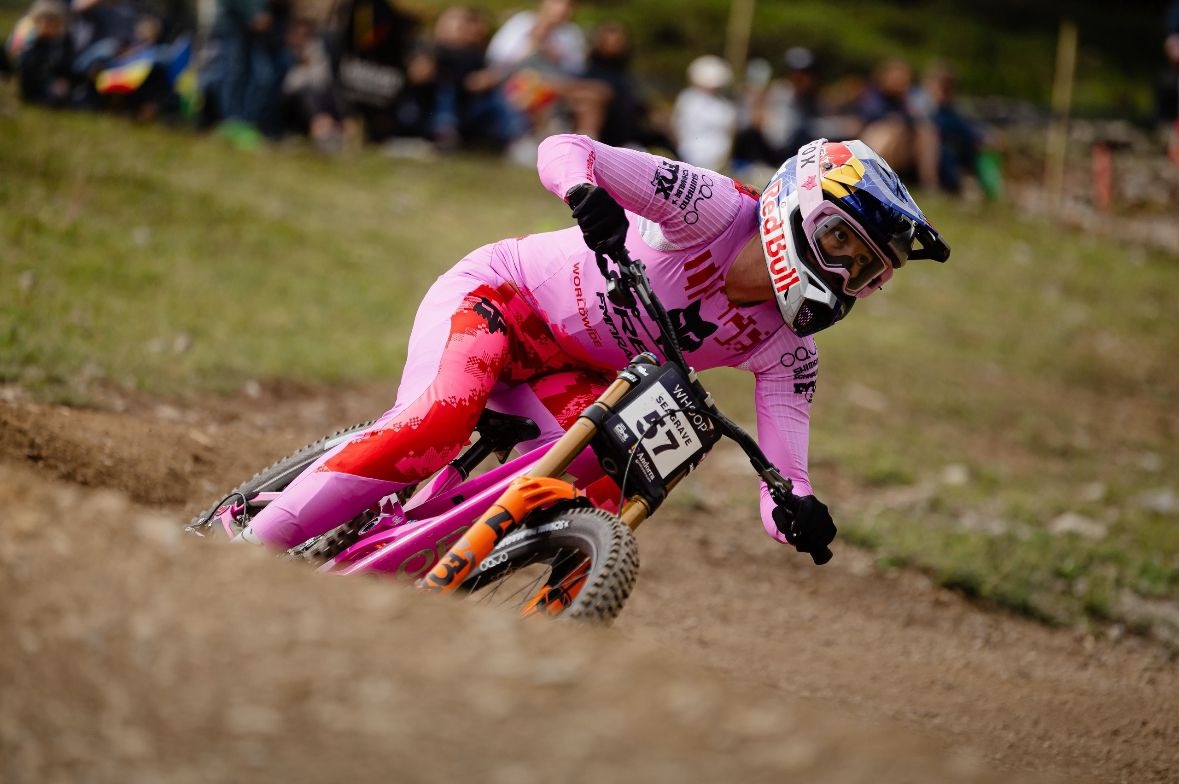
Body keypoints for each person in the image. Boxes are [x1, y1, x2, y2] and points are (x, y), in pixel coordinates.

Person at [238, 134, 950, 563]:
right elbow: (564, 148)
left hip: (574, 371)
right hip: (498, 298)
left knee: (608, 483)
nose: (841, 274)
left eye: (863, 270)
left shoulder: (787, 350)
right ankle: (242, 553)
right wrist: (583, 189)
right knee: (439, 418)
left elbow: (785, 472)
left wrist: (797, 512)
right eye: (836, 242)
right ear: (795, 199)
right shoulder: (708, 207)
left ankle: (434, 564)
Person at [671, 54, 738, 171]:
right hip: (688, 157)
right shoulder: (687, 98)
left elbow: (730, 133)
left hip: (716, 162)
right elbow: (676, 126)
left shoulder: (726, 106)